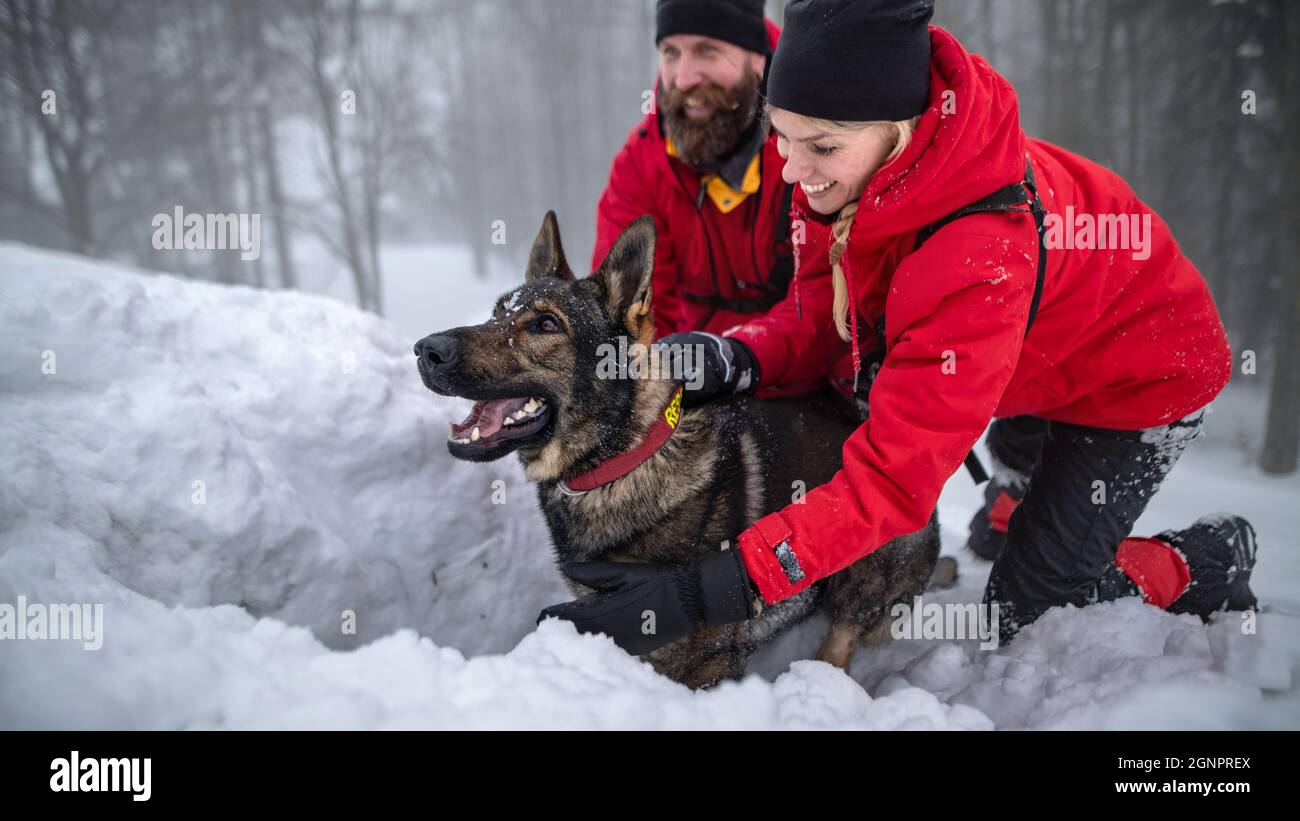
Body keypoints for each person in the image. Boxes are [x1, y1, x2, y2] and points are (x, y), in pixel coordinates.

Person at [541, 0, 1259, 651]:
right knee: (1010, 518)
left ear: (900, 132)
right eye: (782, 138)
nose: (792, 171)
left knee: (1032, 608)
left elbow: (891, 480)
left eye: (818, 147)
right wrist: (738, 358)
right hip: (1034, 358)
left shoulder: (977, 255)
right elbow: (819, 320)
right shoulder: (848, 179)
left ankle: (1204, 557)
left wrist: (718, 584)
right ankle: (1024, 506)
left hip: (1139, 372)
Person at [593, 0, 843, 398]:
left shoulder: (821, 141)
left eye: (707, 49)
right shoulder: (641, 164)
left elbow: (828, 302)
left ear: (758, 58)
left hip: (812, 387)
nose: (685, 77)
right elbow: (628, 310)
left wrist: (735, 357)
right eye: (671, 52)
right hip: (691, 387)